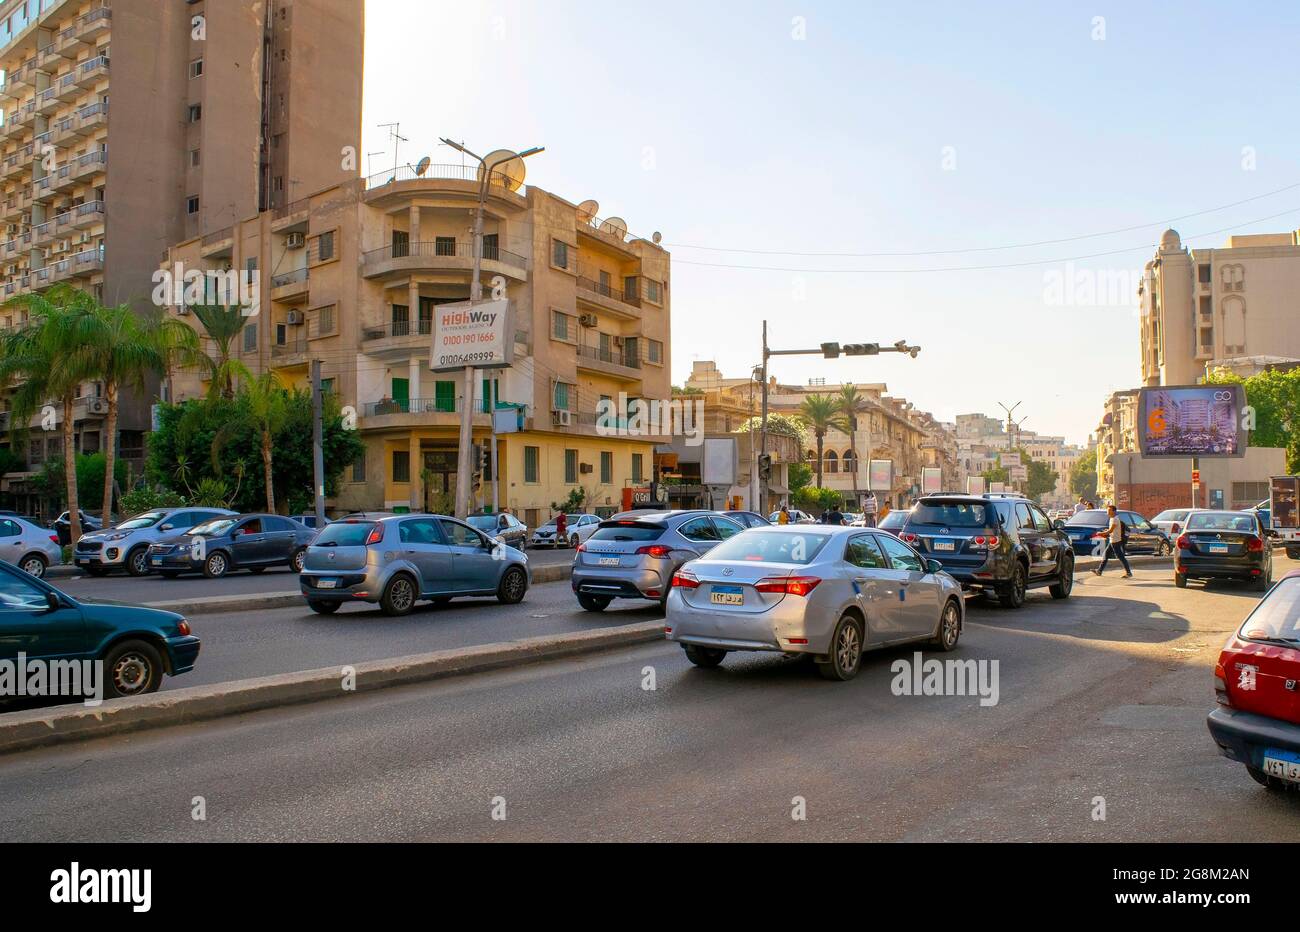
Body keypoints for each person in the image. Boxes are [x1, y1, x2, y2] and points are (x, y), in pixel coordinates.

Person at [1092, 505, 1132, 578]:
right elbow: (1111, 530)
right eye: (1108, 510)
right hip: (1112, 540)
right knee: (1106, 555)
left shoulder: (1115, 519)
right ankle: (1099, 571)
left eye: (1109, 510)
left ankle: (1129, 573)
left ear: (1114, 511)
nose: (1108, 511)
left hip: (1115, 541)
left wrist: (1100, 533)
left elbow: (1110, 531)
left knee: (1121, 557)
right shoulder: (1112, 519)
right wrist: (1105, 532)